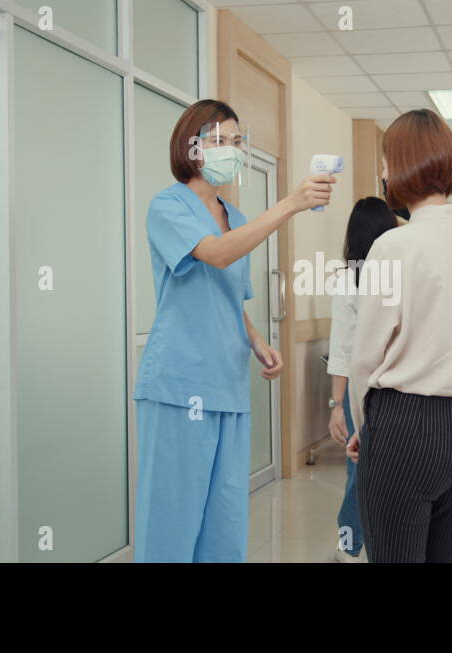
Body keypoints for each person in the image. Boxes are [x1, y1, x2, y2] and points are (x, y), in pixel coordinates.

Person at [133, 99, 336, 562]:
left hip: (227, 382)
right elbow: (217, 255)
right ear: (192, 148)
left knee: (223, 519)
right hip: (179, 385)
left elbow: (226, 294)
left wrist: (258, 340)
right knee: (172, 517)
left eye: (237, 141)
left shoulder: (238, 219)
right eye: (219, 141)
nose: (231, 150)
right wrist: (288, 205)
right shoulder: (167, 205)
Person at [345, 109, 452, 563]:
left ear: (399, 166)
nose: (383, 171)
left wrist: (365, 425)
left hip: (402, 428)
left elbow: (366, 356)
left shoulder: (393, 246)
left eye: (385, 160)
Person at [327, 197, 398, 563]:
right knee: (394, 474)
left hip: (362, 393)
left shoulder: (349, 279)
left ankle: (350, 546)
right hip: (403, 389)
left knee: (360, 473)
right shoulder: (401, 275)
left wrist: (337, 406)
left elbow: (342, 349)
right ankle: (371, 545)